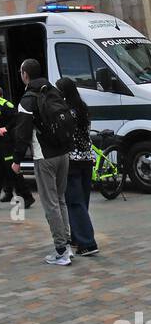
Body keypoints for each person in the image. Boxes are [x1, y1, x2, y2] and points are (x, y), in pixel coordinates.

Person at [11, 59, 76, 266]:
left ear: (25, 74)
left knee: (51, 204)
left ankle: (61, 251)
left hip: (44, 156)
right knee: (61, 199)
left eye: (21, 72)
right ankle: (67, 244)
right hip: (63, 153)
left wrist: (17, 160)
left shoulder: (28, 98)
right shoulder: (53, 91)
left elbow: (22, 133)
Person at [56, 76, 98, 256]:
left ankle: (87, 242)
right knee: (82, 201)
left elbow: (63, 135)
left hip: (72, 160)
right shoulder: (83, 108)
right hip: (87, 158)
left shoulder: (66, 111)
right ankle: (77, 236)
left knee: (74, 202)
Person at [0, 82, 34, 212]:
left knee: (12, 170)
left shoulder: (5, 105)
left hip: (7, 144)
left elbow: (17, 119)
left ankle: (27, 197)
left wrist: (6, 128)